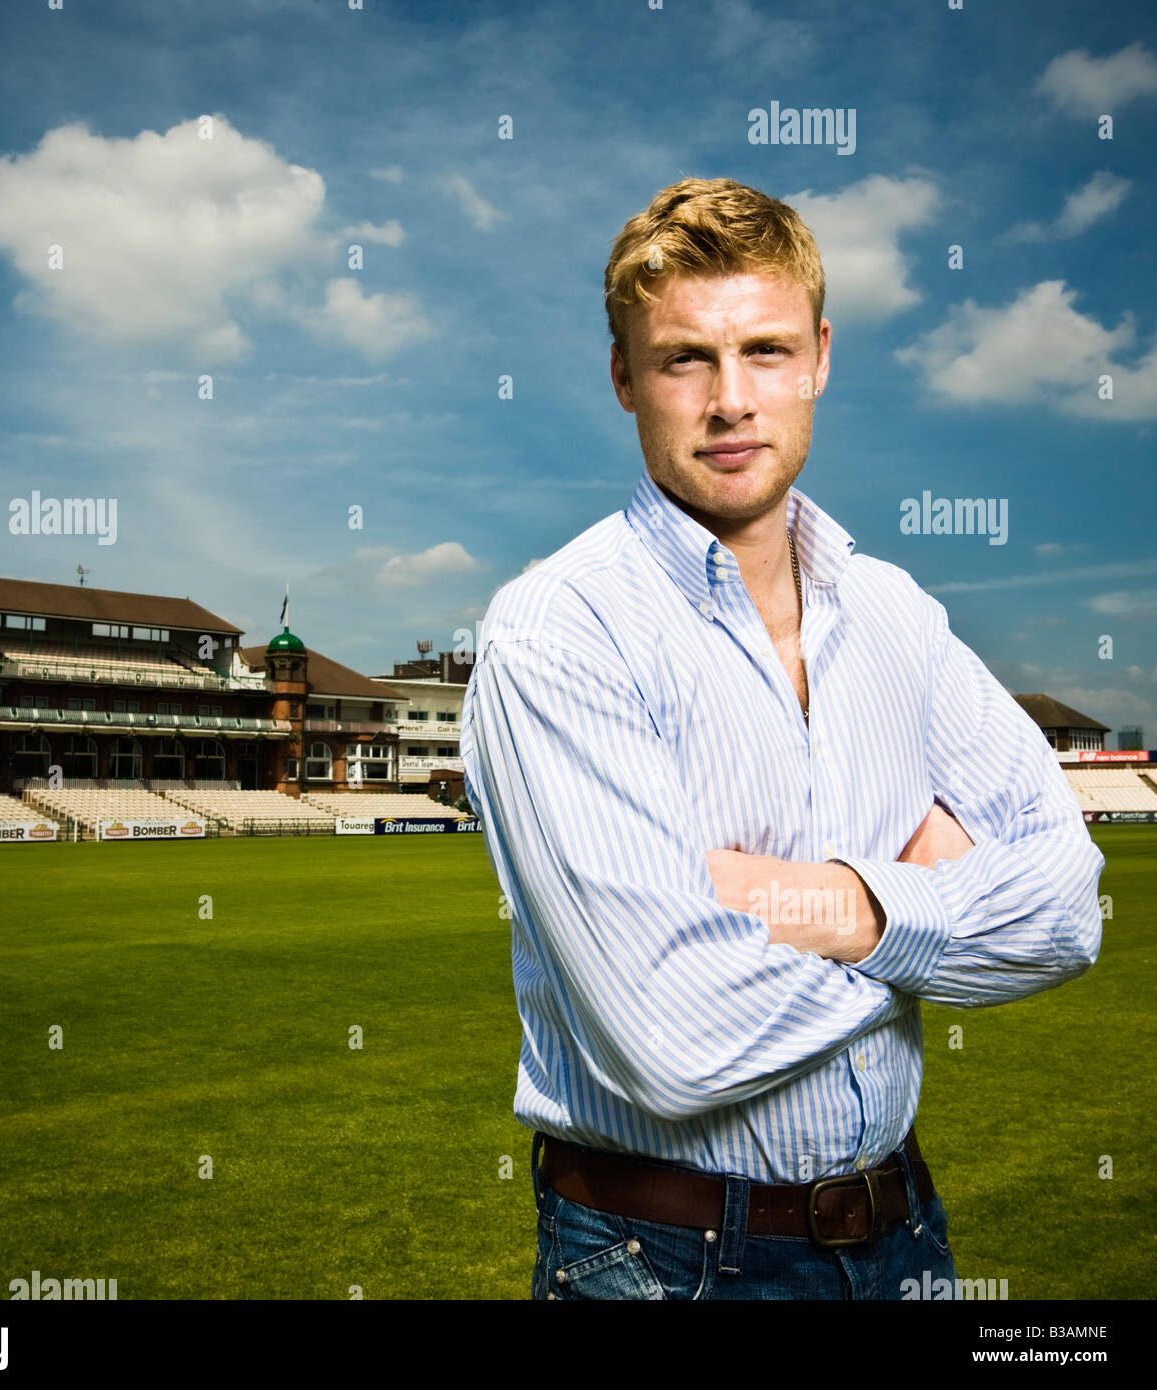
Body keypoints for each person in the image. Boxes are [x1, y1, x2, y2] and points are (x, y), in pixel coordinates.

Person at [458, 176, 1105, 1301]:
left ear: (818, 358)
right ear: (624, 378)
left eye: (763, 351)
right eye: (683, 360)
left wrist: (816, 902)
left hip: (903, 1231)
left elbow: (1066, 911)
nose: (729, 400)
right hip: (659, 1258)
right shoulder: (558, 632)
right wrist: (928, 901)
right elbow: (671, 1038)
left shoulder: (897, 611)